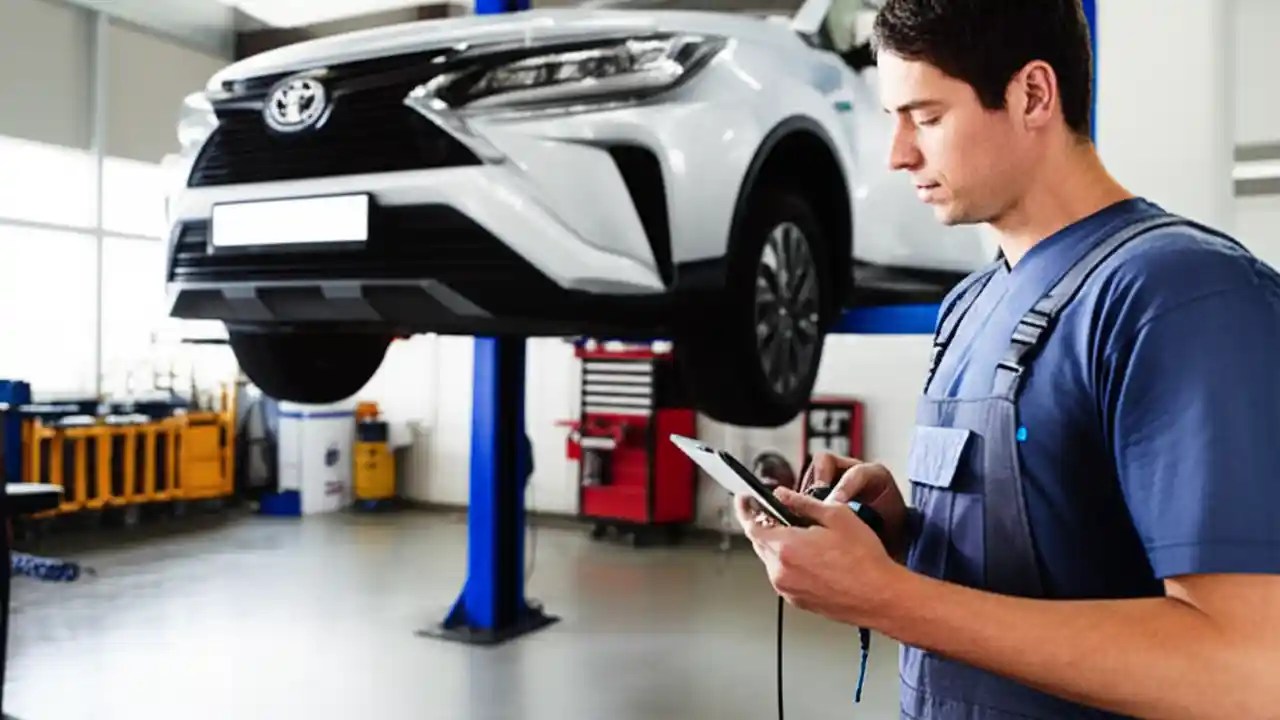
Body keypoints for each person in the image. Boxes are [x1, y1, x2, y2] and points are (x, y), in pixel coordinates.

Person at [735, 0, 1280, 718]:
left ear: (1032, 95)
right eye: (894, 119)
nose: (897, 154)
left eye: (927, 117)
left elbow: (1246, 670)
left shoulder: (1181, 297)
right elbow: (1057, 551)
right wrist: (904, 536)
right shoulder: (971, 303)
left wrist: (887, 597)